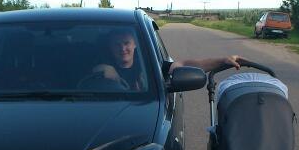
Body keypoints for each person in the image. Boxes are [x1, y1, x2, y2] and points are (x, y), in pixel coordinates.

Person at [91, 29, 245, 89]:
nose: (122, 48)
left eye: (126, 43)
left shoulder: (150, 65)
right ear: (110, 47)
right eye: (117, 44)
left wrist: (223, 60)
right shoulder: (101, 69)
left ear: (135, 44)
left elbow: (185, 64)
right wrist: (106, 75)